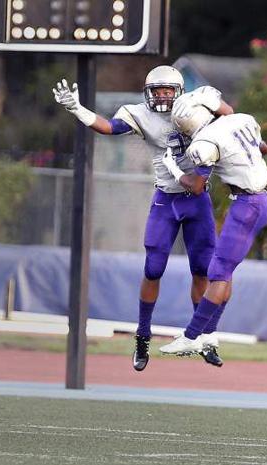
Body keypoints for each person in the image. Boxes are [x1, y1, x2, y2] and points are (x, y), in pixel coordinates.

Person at [53, 65, 233, 370]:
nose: (162, 96)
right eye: (157, 91)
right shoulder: (140, 114)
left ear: (179, 93)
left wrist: (220, 110)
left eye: (167, 91)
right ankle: (143, 336)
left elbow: (230, 120)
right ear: (148, 93)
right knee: (153, 269)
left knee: (203, 271)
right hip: (166, 199)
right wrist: (79, 110)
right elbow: (109, 127)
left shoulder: (196, 107)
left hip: (198, 200)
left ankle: (204, 336)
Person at [159, 94, 267, 356]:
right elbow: (263, 148)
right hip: (260, 202)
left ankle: (192, 336)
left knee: (219, 272)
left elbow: (197, 187)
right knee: (224, 269)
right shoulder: (241, 119)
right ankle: (208, 334)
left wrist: (174, 169)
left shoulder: (205, 142)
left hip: (248, 206)